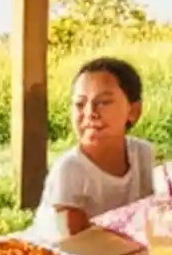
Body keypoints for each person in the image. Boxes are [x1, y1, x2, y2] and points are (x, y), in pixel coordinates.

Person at [31, 57, 154, 241]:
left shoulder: (142, 153)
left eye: (103, 102)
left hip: (125, 254)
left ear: (133, 111)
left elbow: (148, 216)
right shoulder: (69, 170)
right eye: (80, 104)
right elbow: (77, 243)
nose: (90, 113)